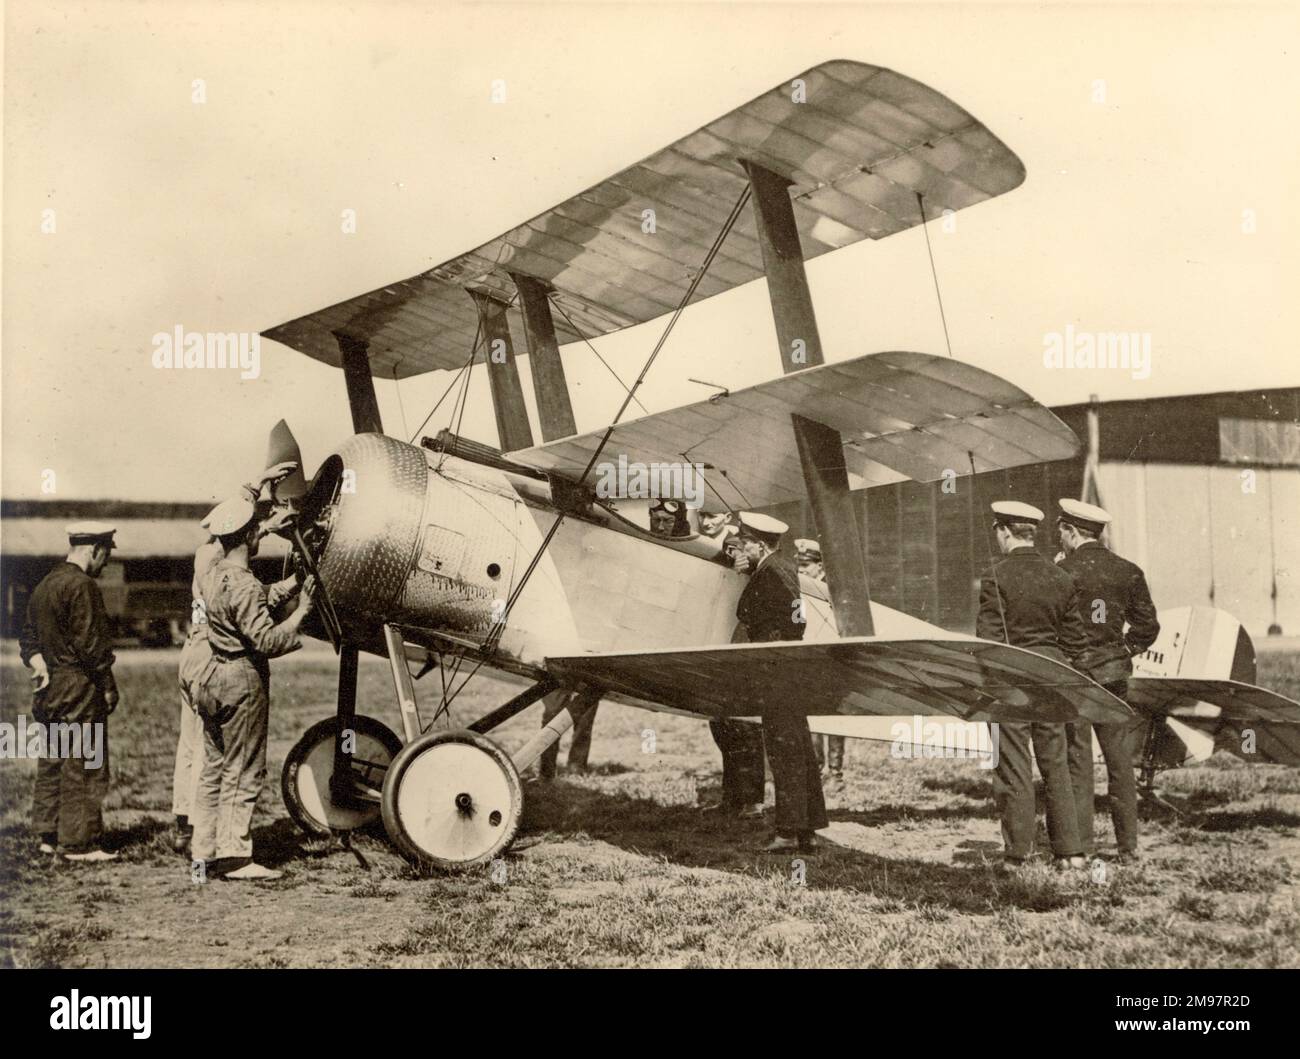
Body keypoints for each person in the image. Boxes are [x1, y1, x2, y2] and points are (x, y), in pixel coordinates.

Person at [170, 462, 301, 853]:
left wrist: (255, 495)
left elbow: (247, 578)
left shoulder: (211, 566)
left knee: (205, 756)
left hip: (204, 659)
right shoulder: (219, 565)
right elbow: (261, 628)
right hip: (223, 663)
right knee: (229, 761)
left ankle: (200, 844)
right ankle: (226, 849)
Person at [189, 497, 313, 881]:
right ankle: (236, 857)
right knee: (244, 770)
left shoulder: (214, 573)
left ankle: (204, 854)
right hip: (240, 680)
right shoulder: (242, 583)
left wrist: (293, 582)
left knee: (213, 768)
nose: (260, 533)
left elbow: (254, 599)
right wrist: (302, 612)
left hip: (210, 676)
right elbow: (266, 640)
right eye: (256, 530)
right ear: (247, 536)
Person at [977, 501, 1089, 871]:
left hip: (1011, 677)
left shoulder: (996, 576)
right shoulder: (1061, 577)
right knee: (1055, 763)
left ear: (1004, 531)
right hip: (1052, 674)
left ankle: (1017, 854)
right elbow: (1075, 642)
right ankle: (1070, 852)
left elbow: (988, 639)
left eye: (996, 531)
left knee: (1013, 764)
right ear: (1032, 533)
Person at [1056, 498, 1159, 863]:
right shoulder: (1128, 571)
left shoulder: (1063, 572)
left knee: (1078, 765)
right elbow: (1148, 627)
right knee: (1120, 765)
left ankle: (1082, 848)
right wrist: (1124, 650)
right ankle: (1128, 849)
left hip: (1075, 678)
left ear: (1070, 531)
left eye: (1061, 533)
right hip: (1114, 678)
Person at [19, 522, 121, 861]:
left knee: (52, 759)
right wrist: (107, 685)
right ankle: (80, 843)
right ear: (94, 549)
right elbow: (92, 645)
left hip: (49, 688)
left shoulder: (44, 585)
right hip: (79, 684)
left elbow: (27, 641)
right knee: (84, 760)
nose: (105, 562)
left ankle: (47, 833)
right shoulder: (82, 586)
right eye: (106, 553)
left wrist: (40, 666)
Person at [731, 513, 827, 854]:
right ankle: (807, 830)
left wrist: (770, 649)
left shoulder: (773, 572)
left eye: (744, 544)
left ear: (759, 544)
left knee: (785, 751)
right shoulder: (777, 568)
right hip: (786, 671)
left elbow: (792, 620)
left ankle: (788, 832)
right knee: (798, 749)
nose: (740, 549)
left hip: (778, 673)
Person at [796, 538, 843, 780]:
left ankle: (835, 773)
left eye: (807, 565)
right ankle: (817, 770)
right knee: (811, 714)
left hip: (833, 659)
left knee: (833, 716)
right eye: (800, 565)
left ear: (821, 568)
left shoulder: (835, 591)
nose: (802, 570)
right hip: (809, 658)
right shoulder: (799, 588)